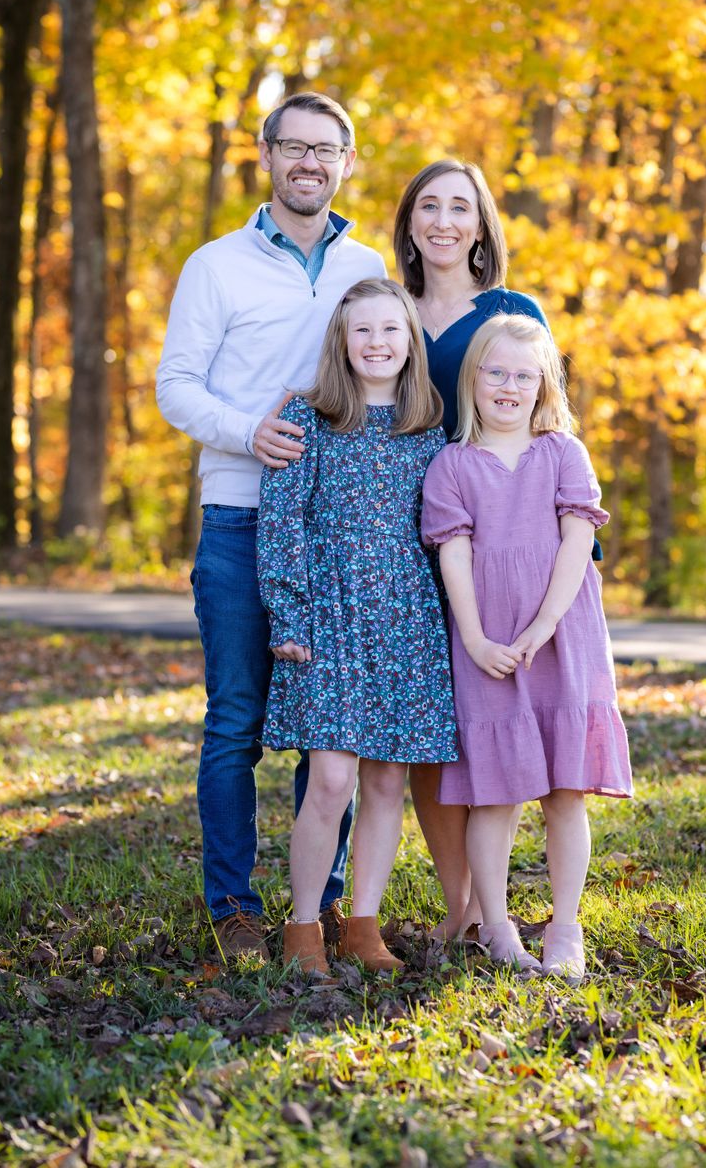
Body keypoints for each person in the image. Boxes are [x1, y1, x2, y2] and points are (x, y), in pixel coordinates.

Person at [156, 93, 385, 962]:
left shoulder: (366, 266)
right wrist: (246, 431)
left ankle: (316, 905)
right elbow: (176, 385)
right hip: (238, 516)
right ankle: (233, 908)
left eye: (326, 150)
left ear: (347, 162)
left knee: (330, 729)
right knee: (236, 724)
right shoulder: (215, 265)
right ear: (266, 154)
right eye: (294, 147)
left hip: (336, 533)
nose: (309, 163)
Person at [421, 314, 633, 978]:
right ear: (472, 379)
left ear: (542, 384)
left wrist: (543, 626)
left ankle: (565, 926)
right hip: (487, 644)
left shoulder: (563, 452)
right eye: (496, 372)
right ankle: (498, 926)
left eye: (523, 374)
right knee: (496, 792)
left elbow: (577, 544)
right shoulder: (452, 466)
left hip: (562, 636)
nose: (508, 386)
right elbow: (454, 557)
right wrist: (476, 639)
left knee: (565, 791)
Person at [257, 278, 457, 975]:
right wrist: (288, 611)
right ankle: (303, 927)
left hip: (405, 621)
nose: (377, 343)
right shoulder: (309, 418)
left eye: (391, 330)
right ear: (342, 341)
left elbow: (443, 531)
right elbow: (281, 521)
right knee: (331, 779)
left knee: (386, 783)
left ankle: (363, 929)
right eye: (363, 330)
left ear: (410, 342)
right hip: (330, 617)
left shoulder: (425, 428)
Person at [392, 159, 549, 941]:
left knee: (492, 716)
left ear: (482, 225)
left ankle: (493, 906)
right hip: (397, 536)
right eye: (430, 206)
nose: (444, 221)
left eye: (461, 207)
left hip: (496, 540)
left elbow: (545, 421)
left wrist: (560, 543)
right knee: (429, 728)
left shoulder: (513, 311)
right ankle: (463, 907)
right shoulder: (387, 308)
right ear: (409, 222)